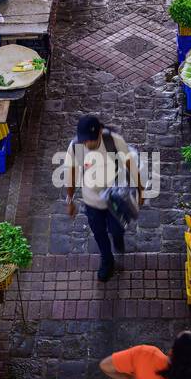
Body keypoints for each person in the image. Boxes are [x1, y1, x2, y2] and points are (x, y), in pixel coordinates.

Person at [65, 114, 141, 282]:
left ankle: (118, 238)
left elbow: (131, 166)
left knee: (116, 229)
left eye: (91, 140)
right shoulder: (76, 146)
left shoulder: (114, 141)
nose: (88, 144)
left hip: (115, 198)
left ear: (100, 132)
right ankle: (107, 260)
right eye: (85, 140)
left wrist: (141, 191)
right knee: (99, 233)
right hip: (91, 201)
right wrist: (69, 200)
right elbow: (71, 175)